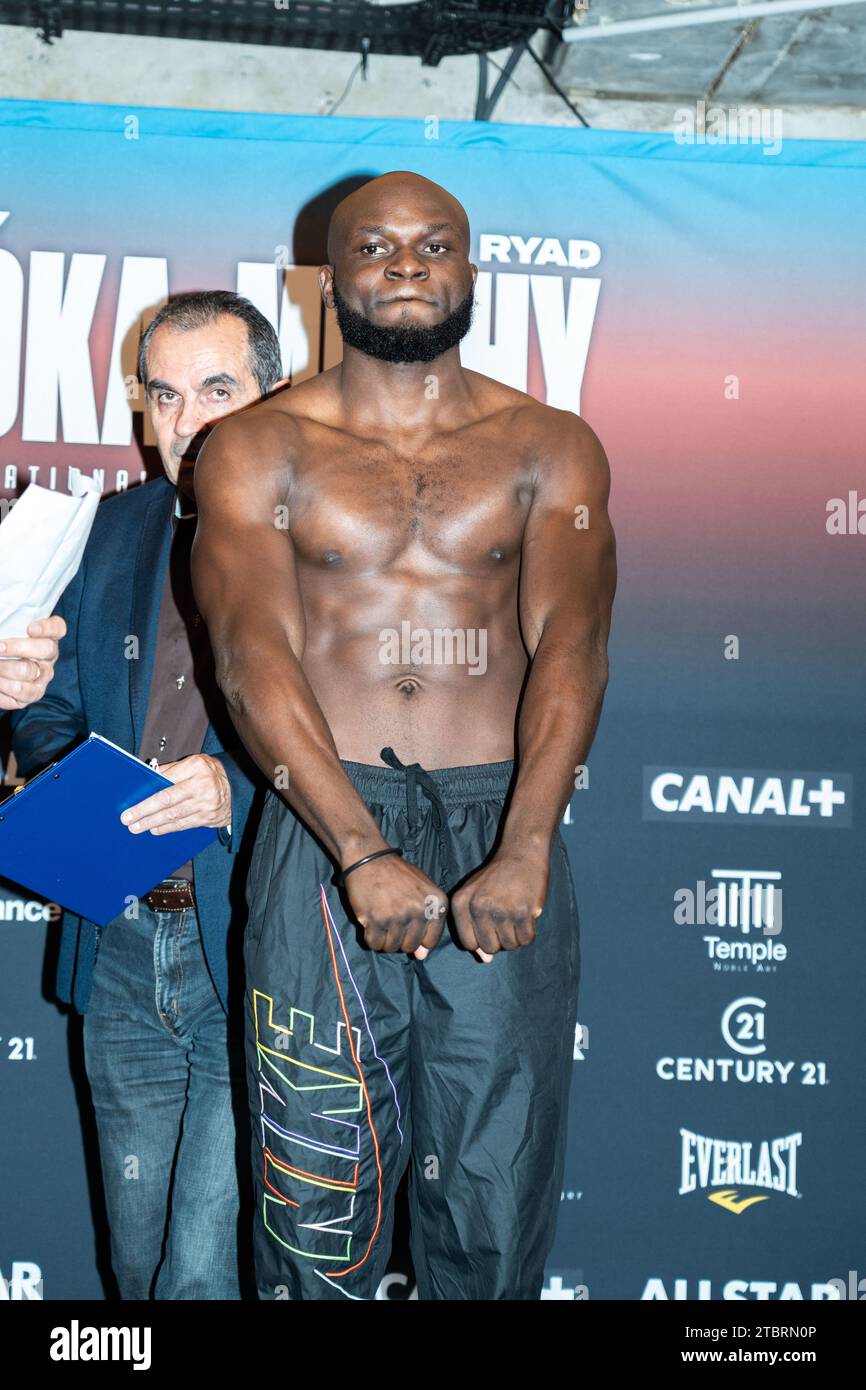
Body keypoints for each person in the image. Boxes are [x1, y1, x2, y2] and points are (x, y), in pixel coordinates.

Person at [192, 172, 617, 1301]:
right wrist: (357, 850)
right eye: (376, 246)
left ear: (469, 272)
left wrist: (526, 841)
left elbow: (570, 645)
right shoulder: (255, 448)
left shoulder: (549, 444)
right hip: (323, 834)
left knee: (493, 1190)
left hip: (498, 823)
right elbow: (250, 657)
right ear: (330, 281)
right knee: (314, 1200)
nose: (407, 264)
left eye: (434, 246)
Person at [12, 290, 284, 1300]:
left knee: (200, 1272)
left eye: (216, 389)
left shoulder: (331, 545)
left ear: (276, 394)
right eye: (161, 395)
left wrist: (236, 789)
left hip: (249, 947)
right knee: (139, 1271)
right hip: (118, 944)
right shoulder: (109, 528)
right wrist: (55, 754)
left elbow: (379, 754)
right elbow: (49, 714)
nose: (184, 421)